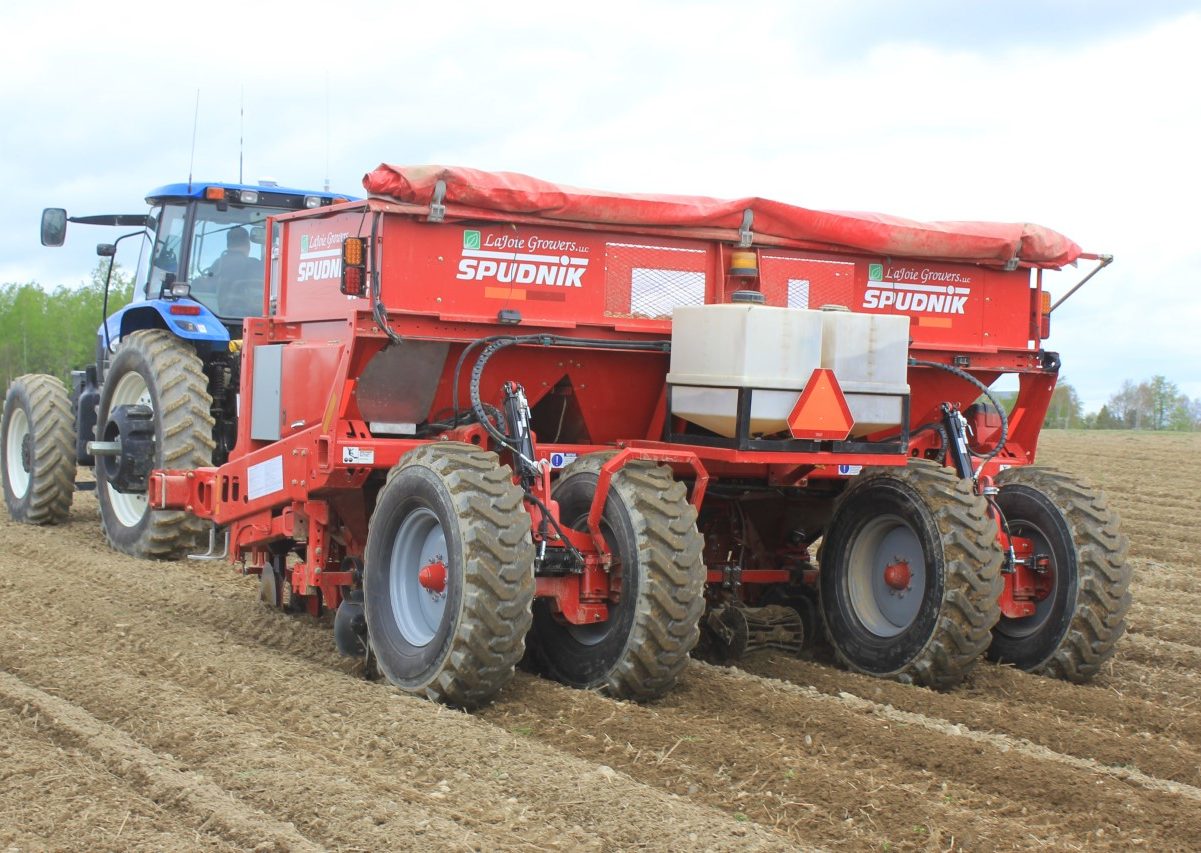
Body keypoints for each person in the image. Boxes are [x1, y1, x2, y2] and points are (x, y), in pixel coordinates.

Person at [209, 226, 264, 316]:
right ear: (248, 244)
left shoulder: (218, 264)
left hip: (220, 313)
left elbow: (208, 287)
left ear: (228, 244)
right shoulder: (255, 265)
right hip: (252, 315)